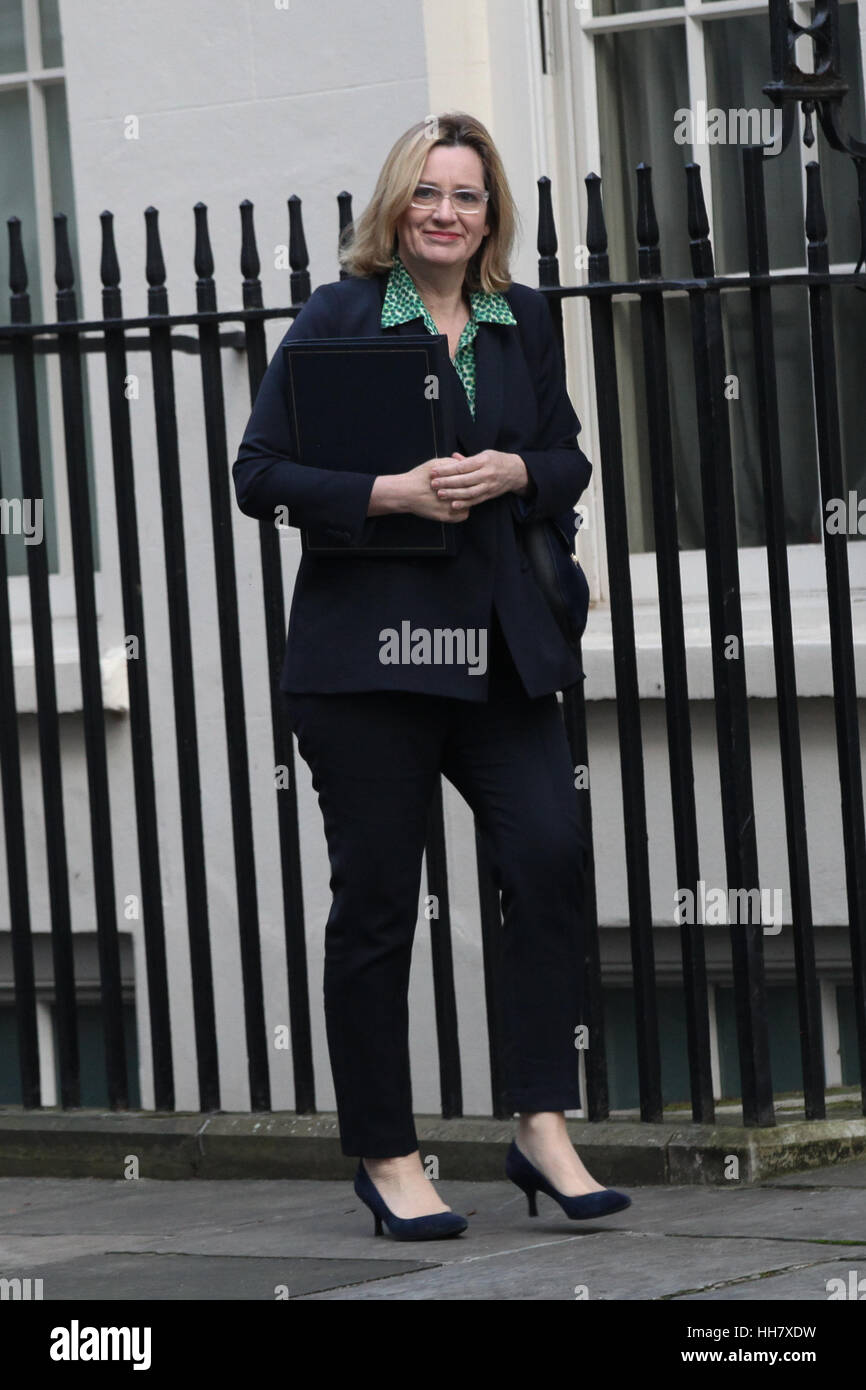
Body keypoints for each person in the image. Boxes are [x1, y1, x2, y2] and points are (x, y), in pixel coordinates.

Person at [232, 111, 631, 1240]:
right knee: (375, 906)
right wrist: (385, 494)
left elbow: (567, 458)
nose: (446, 213)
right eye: (426, 193)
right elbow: (257, 473)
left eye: (466, 195)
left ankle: (540, 1123)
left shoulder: (521, 319)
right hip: (369, 664)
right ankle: (387, 1152)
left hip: (501, 653)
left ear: (490, 212)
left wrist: (516, 469)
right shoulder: (340, 314)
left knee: (547, 859)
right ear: (394, 206)